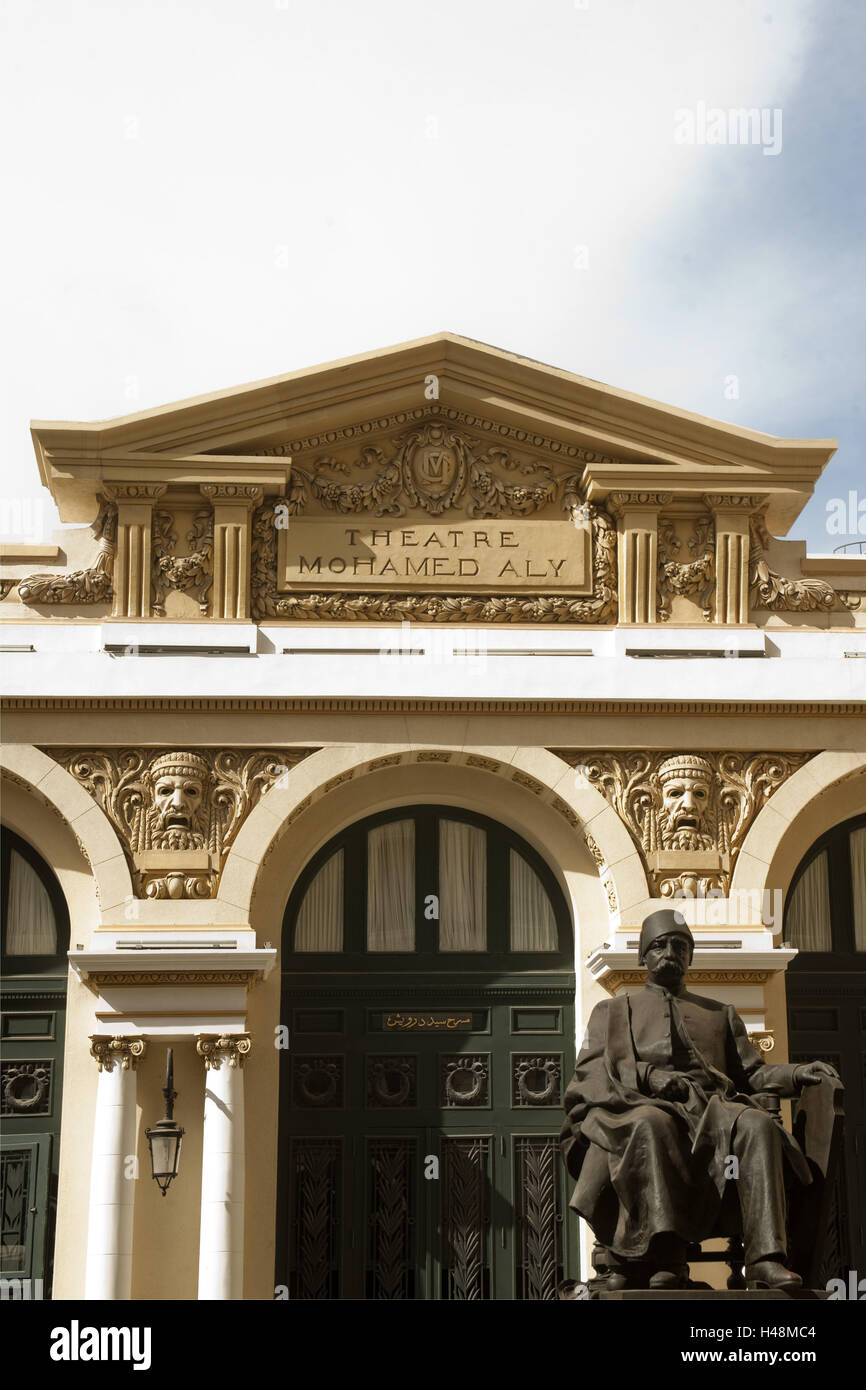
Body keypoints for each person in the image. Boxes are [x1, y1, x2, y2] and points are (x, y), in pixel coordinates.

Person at [560, 908, 839, 1290]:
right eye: (659, 945)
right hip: (633, 1111)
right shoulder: (610, 1012)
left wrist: (796, 1073)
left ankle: (765, 1259)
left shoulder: (719, 1014)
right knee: (652, 1122)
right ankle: (665, 1257)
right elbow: (588, 1075)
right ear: (643, 955)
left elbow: (753, 1074)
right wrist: (647, 1076)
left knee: (757, 1124)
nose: (670, 952)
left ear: (690, 956)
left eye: (680, 945)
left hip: (712, 1113)